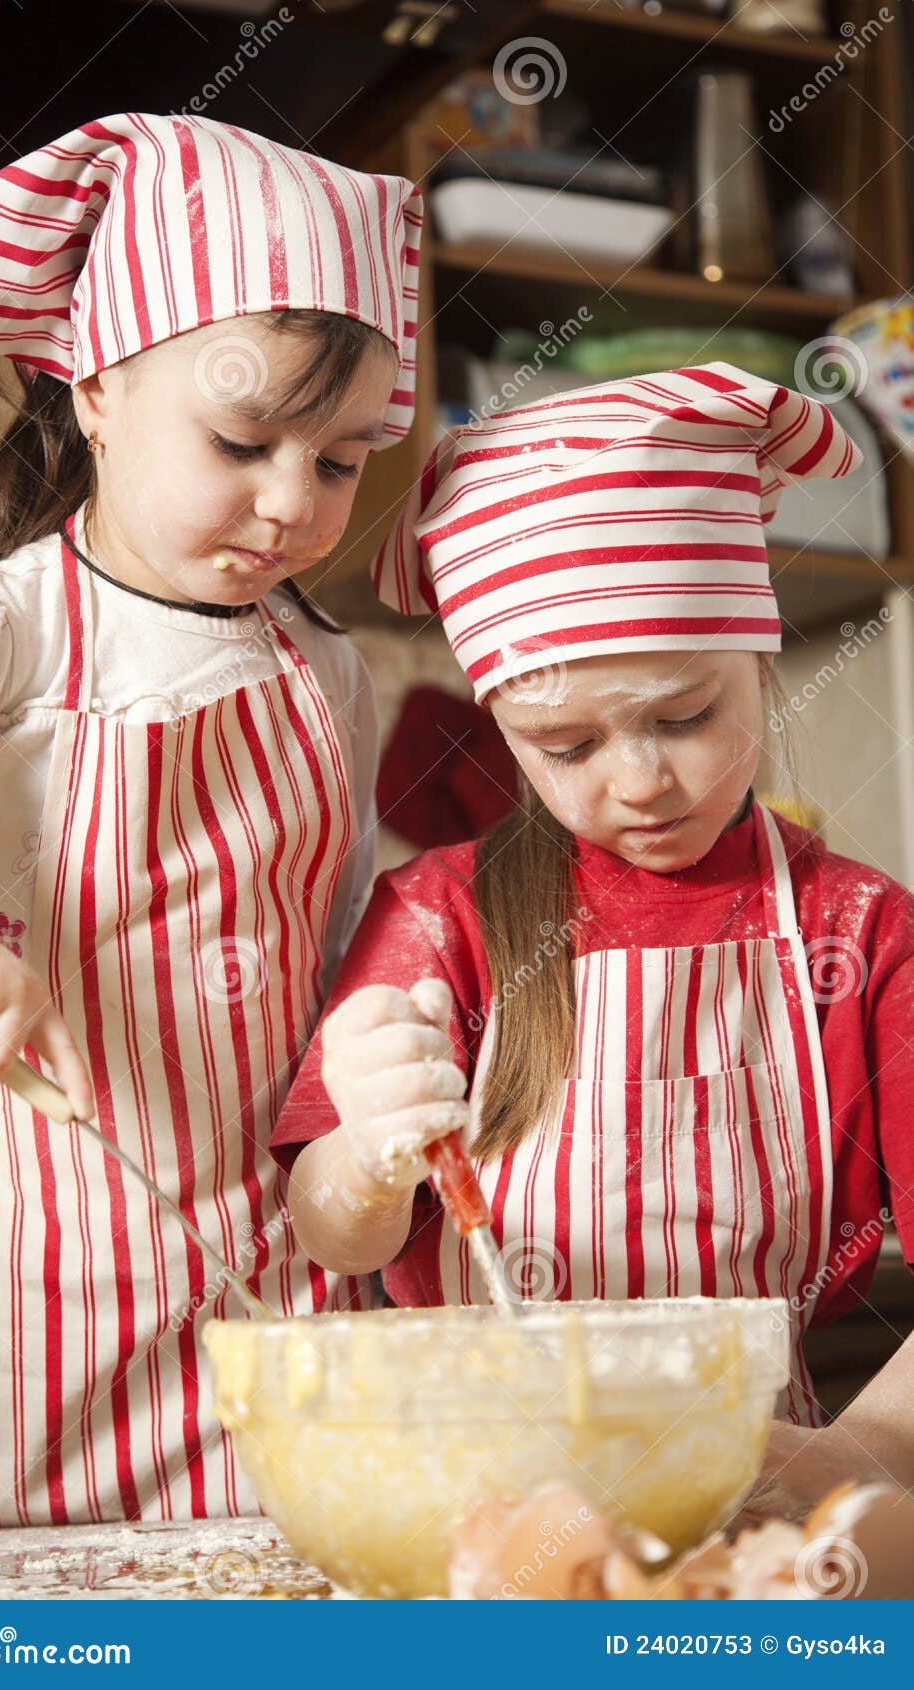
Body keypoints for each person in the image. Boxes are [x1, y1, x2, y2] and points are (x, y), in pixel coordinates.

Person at [0, 113, 422, 1526]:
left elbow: (340, 941)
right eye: (243, 438)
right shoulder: (4, 628)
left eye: (341, 461)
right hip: (54, 1262)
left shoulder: (326, 675)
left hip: (282, 1258)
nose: (294, 504)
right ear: (96, 387)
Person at [274, 363, 914, 1428]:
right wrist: (367, 1156)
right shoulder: (441, 915)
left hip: (750, 1493)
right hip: (475, 1488)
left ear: (756, 656)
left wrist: (851, 1463)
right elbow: (336, 1232)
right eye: (564, 744)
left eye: (681, 716)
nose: (638, 781)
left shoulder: (863, 933)